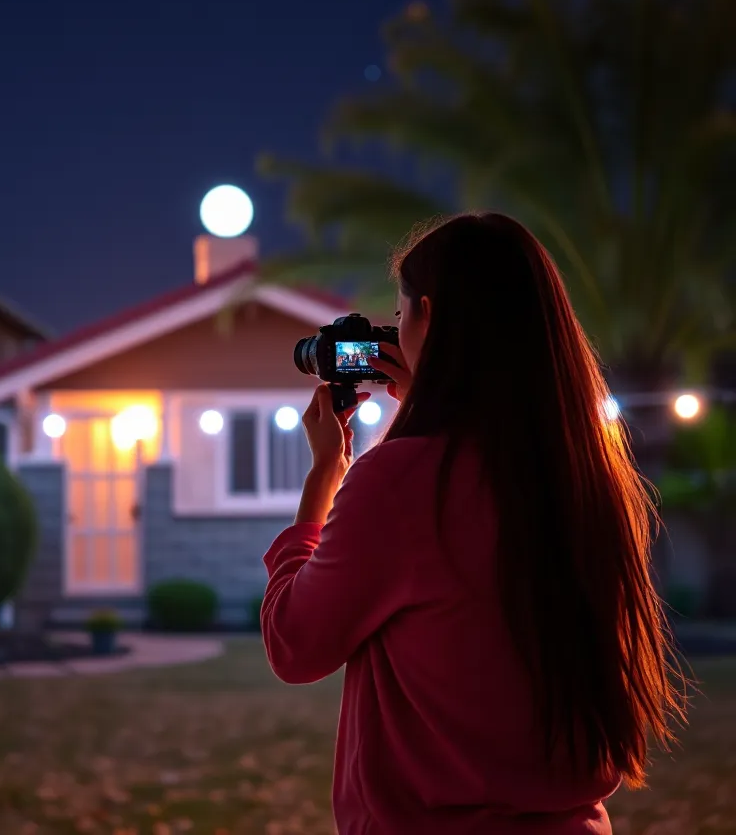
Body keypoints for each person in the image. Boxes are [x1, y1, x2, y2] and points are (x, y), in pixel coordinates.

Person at [260, 212, 689, 835]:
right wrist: (429, 413)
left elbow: (294, 645)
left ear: (428, 316)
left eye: (401, 316)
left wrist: (325, 474)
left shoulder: (401, 481)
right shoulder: (587, 473)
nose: (396, 333)